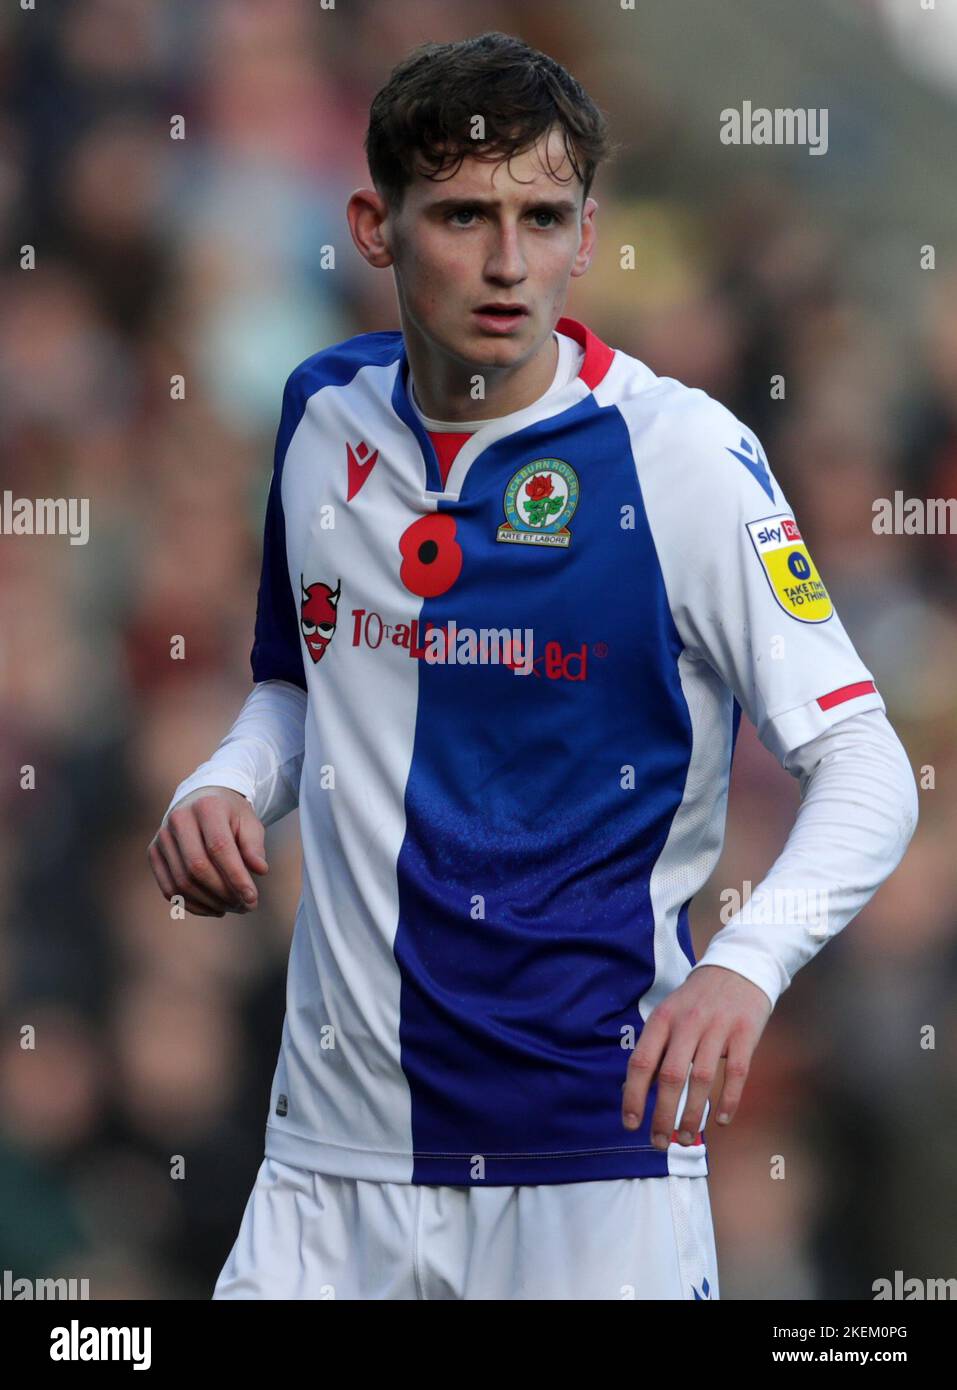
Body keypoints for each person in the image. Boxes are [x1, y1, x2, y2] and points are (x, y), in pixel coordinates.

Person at [148, 31, 918, 1300]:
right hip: (328, 1169)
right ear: (375, 224)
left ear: (587, 230)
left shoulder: (679, 459)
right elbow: (300, 685)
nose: (510, 263)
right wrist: (224, 783)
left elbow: (866, 760)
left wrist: (747, 957)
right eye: (462, 214)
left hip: (591, 1171)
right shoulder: (319, 415)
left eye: (542, 217)